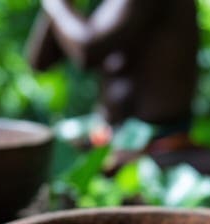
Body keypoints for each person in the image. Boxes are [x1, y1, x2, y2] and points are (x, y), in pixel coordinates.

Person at [27, 0, 198, 133]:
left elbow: (88, 50)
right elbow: (40, 61)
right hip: (112, 135)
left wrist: (55, 3)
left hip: (157, 138)